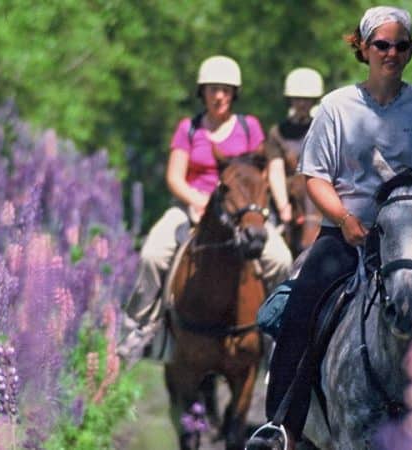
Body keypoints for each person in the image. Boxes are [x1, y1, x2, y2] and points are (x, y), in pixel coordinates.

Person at [259, 6, 412, 449]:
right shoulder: (336, 107)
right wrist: (346, 219)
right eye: (382, 45)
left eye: (400, 46)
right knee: (302, 308)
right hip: (349, 233)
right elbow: (314, 177)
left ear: (410, 52)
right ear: (363, 48)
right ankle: (281, 425)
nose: (391, 53)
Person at [119, 55, 293, 360]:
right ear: (203, 92)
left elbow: (260, 171)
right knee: (152, 254)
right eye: (213, 89)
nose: (219, 96)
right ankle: (141, 326)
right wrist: (197, 201)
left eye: (225, 90)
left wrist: (255, 205)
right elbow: (174, 176)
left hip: (242, 210)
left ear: (234, 93)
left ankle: (279, 332)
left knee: (280, 258)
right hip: (195, 206)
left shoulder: (249, 126)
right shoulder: (188, 129)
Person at [265, 67, 324, 253]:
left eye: (307, 99)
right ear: (290, 99)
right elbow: (275, 171)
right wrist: (283, 208)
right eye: (298, 98)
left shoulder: (323, 128)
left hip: (319, 195)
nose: (302, 103)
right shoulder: (278, 133)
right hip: (288, 198)